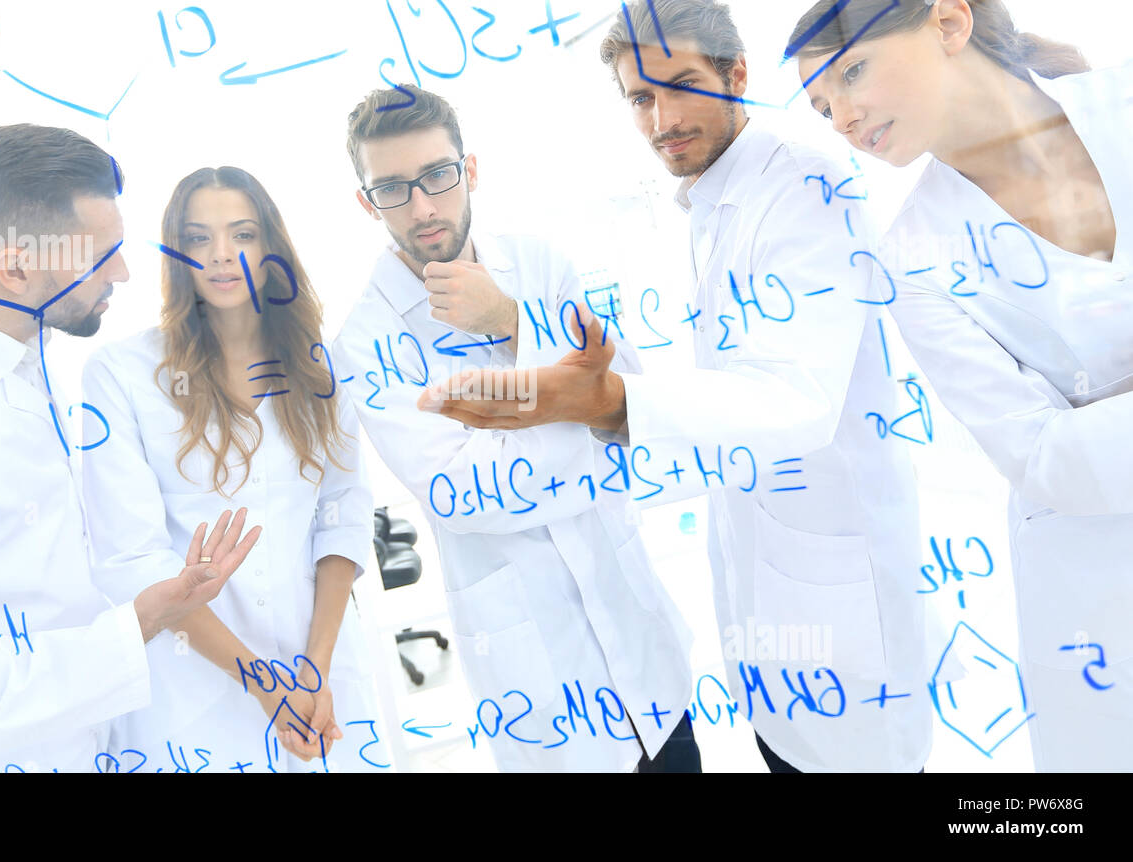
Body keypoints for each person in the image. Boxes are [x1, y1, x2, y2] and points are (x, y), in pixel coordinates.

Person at [423, 0, 934, 773]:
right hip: (772, 605)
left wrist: (608, 403)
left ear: (737, 76)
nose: (662, 117)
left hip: (840, 605)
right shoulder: (709, 201)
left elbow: (795, 399)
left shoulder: (805, 186)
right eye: (640, 98)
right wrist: (571, 367)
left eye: (682, 85)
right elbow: (708, 391)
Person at [0, 124, 259, 772]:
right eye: (99, 256)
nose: (122, 271)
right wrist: (136, 626)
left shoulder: (9, 340)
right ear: (15, 265)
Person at [789, 0, 1133, 771]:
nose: (840, 117)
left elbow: (1077, 441)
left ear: (948, 23)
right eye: (820, 107)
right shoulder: (909, 258)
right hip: (1106, 589)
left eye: (852, 72)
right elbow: (1047, 460)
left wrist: (1098, 416)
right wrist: (1074, 438)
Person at [332, 85, 697, 772]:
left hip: (646, 657)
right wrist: (580, 416)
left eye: (437, 176)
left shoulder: (539, 266)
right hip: (543, 687)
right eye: (392, 189)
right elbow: (469, 497)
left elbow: (637, 410)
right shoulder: (367, 339)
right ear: (366, 201)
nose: (423, 207)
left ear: (469, 170)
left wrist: (512, 321)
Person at [81, 166, 386, 773]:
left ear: (270, 246)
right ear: (176, 253)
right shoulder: (121, 373)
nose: (221, 255)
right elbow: (133, 558)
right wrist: (265, 686)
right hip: (193, 684)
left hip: (319, 670)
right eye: (198, 238)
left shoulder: (321, 367)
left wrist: (311, 668)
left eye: (241, 234)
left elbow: (343, 516)